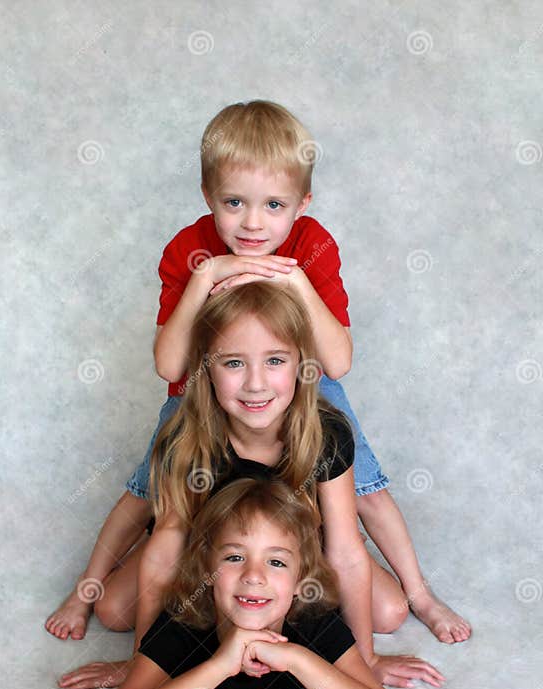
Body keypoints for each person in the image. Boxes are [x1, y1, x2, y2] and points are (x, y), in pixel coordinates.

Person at [50, 99, 470, 650]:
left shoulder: (311, 244)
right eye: (234, 202)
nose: (253, 223)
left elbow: (338, 362)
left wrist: (296, 282)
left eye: (274, 205)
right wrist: (207, 277)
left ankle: (416, 590)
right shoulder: (189, 249)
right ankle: (90, 587)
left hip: (302, 381)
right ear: (208, 196)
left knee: (365, 489)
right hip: (206, 386)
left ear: (302, 204)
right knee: (147, 492)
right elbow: (170, 366)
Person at [59, 282, 446, 689]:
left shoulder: (326, 434)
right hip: (210, 551)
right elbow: (167, 548)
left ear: (302, 364)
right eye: (233, 363)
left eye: (275, 360)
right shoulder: (187, 438)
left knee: (388, 612)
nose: (256, 385)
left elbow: (346, 551)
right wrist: (143, 665)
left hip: (288, 552)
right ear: (206, 368)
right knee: (114, 611)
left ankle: (301, 559)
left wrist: (365, 662)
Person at [95, 478, 410, 689]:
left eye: (276, 562)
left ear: (301, 580)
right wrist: (220, 665)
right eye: (235, 558)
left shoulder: (314, 620)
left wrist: (298, 659)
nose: (254, 576)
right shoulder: (186, 619)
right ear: (207, 569)